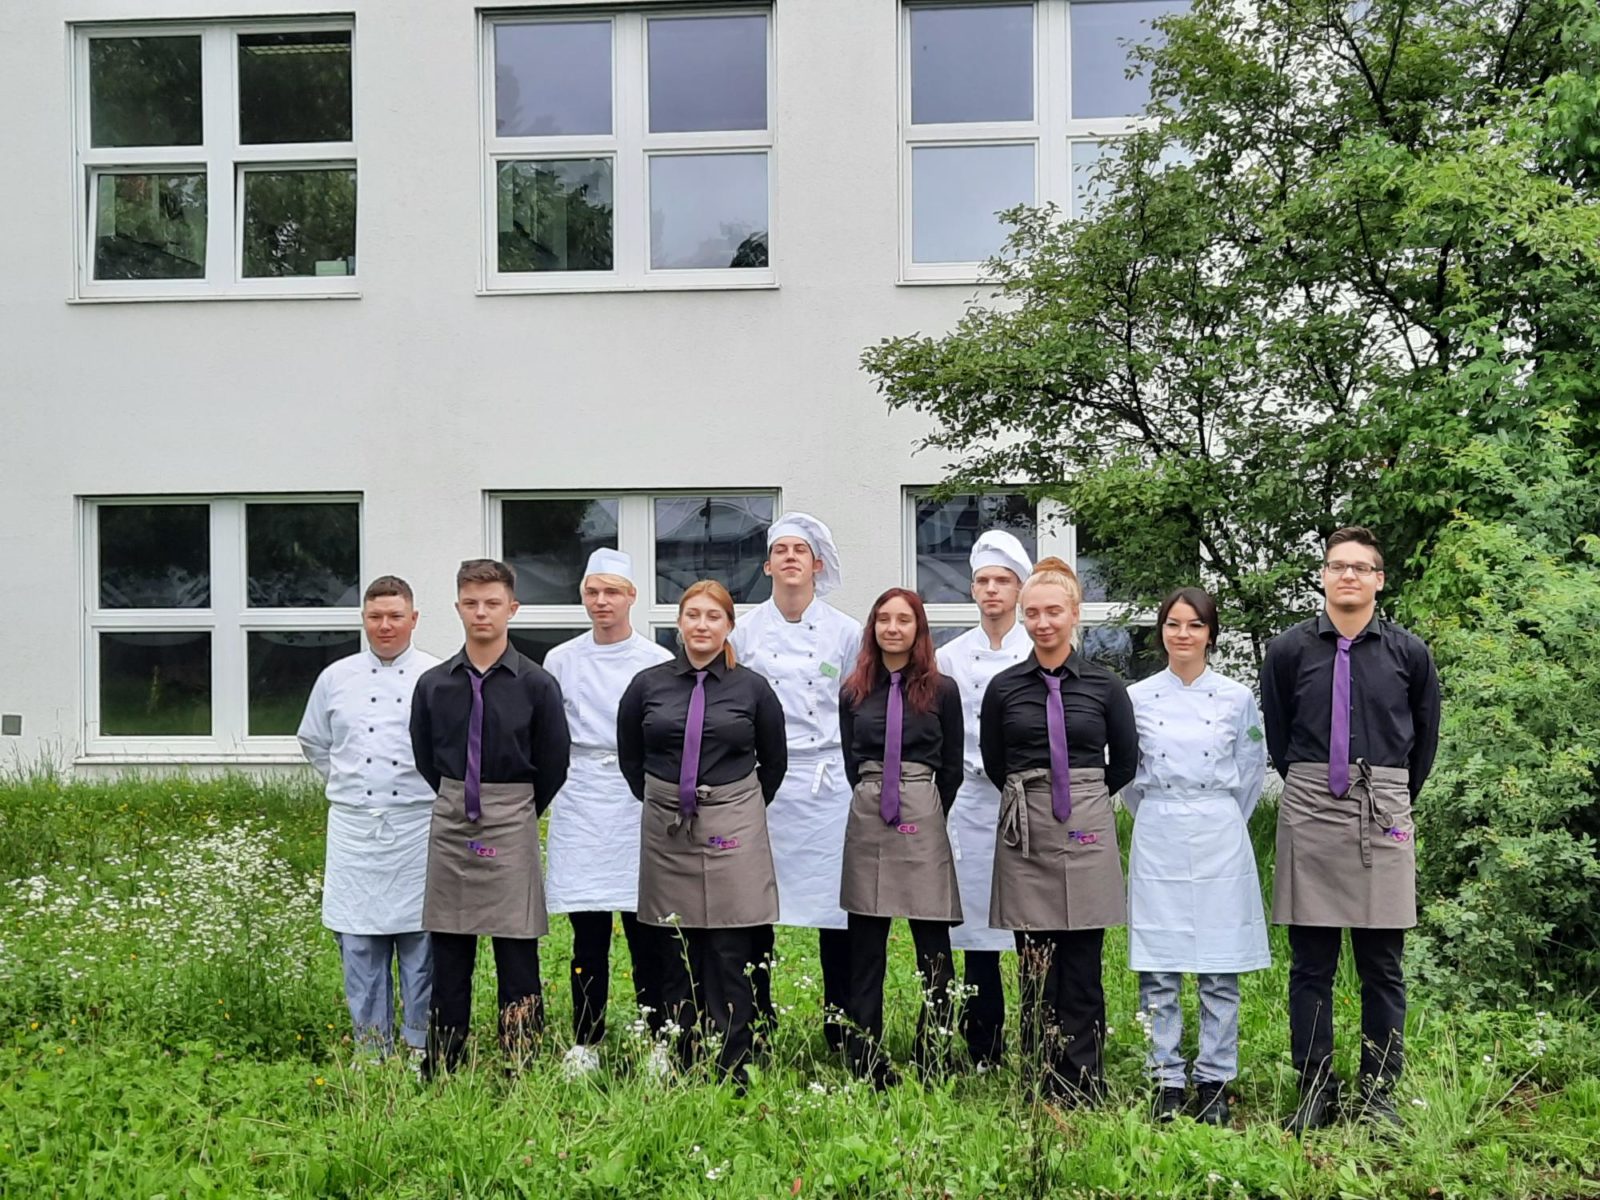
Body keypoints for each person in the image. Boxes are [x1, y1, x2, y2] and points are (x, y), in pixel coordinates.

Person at [1261, 527, 1440, 1133]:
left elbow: (1424, 739)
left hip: (1382, 806)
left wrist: (1389, 799)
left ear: (1379, 580)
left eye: (1362, 568)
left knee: (1381, 964)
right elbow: (1280, 735)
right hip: (1311, 805)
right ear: (1323, 575)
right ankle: (1316, 1088)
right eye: (1339, 566)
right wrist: (1314, 786)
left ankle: (1379, 1090)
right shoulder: (1288, 651)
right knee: (1310, 963)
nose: (1349, 577)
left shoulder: (1409, 653)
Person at [980, 557, 1139, 1104]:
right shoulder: (1004, 689)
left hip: (1087, 822)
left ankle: (1086, 1078)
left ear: (1075, 614)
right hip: (1027, 826)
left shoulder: (1105, 686)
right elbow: (996, 761)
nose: (1043, 622)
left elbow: (1124, 762)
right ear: (1023, 618)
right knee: (1035, 960)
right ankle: (1042, 1075)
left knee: (1083, 960)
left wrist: (1084, 802)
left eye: (1053, 611)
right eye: (1033, 613)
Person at [617, 580, 787, 1088]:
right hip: (668, 824)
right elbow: (632, 758)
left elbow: (773, 764)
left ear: (729, 626)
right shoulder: (647, 685)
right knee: (675, 944)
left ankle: (733, 1062)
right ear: (679, 623)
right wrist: (665, 797)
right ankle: (682, 1055)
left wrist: (734, 808)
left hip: (732, 819)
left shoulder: (752, 687)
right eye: (693, 615)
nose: (702, 625)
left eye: (713, 617)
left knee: (729, 944)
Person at [409, 558, 571, 1077]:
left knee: (516, 947)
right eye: (471, 603)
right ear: (458, 608)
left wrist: (514, 808)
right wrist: (460, 797)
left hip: (512, 814)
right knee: (450, 949)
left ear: (512, 609)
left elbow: (555, 762)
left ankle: (520, 1062)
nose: (482, 613)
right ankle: (445, 1062)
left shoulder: (537, 684)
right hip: (453, 812)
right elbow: (425, 757)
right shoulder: (434, 685)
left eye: (493, 603)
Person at [1124, 587, 1270, 1125]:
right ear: (1160, 630)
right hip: (1158, 825)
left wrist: (1217, 814)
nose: (1182, 634)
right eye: (1172, 624)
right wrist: (1163, 811)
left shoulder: (1236, 696)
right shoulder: (1137, 696)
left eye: (1194, 625)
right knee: (1159, 966)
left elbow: (1251, 769)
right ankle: (1164, 1078)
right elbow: (1129, 780)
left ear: (1211, 633)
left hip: (1218, 829)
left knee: (1219, 965)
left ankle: (1214, 1079)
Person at [729, 513, 861, 1050]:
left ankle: (840, 1021)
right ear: (767, 566)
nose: (789, 558)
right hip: (761, 780)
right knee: (754, 904)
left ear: (816, 565)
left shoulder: (847, 631)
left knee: (837, 909)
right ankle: (757, 1019)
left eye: (799, 551)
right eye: (779, 550)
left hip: (827, 783)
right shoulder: (741, 630)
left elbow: (856, 705)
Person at [542, 549, 674, 1079]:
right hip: (581, 800)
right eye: (593, 591)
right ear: (583, 595)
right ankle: (586, 1041)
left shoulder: (656, 661)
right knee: (587, 934)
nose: (602, 602)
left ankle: (659, 1040)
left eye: (612, 592)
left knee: (650, 934)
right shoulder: (561, 660)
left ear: (632, 598)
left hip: (637, 798)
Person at [297, 575, 441, 1060]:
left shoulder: (437, 675)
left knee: (421, 940)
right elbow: (315, 742)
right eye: (376, 616)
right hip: (355, 826)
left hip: (419, 822)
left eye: (395, 616)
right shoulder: (335, 677)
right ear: (364, 619)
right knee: (358, 942)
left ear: (414, 619)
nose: (385, 626)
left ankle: (419, 1042)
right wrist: (353, 786)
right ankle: (371, 1047)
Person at [837, 587, 964, 1087]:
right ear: (872, 628)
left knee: (932, 941)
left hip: (922, 808)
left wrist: (926, 810)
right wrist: (875, 796)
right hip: (869, 811)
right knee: (865, 941)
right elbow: (852, 760)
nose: (893, 628)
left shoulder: (943, 690)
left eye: (903, 620)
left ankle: (933, 1053)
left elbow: (951, 765)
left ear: (919, 629)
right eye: (884, 619)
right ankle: (865, 1057)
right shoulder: (853, 691)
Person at [935, 530, 1033, 1069]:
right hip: (970, 803)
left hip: (1025, 801)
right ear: (972, 590)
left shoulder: (1035, 650)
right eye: (983, 582)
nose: (992, 591)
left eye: (1003, 582)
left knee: (1029, 922)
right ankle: (983, 1047)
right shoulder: (950, 657)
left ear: (1019, 590)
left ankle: (1039, 1037)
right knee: (975, 930)